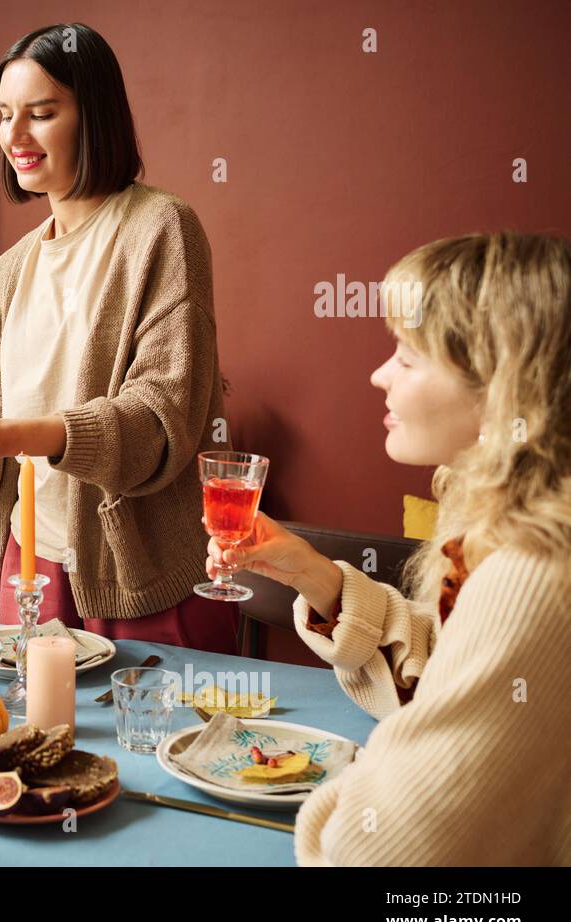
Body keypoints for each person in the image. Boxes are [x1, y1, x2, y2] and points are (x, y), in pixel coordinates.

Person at [208, 233, 571, 865]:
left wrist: (336, 795)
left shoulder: (532, 572)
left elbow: (382, 851)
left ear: (499, 382)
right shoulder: (500, 524)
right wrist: (316, 577)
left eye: (406, 355)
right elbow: (445, 669)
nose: (379, 374)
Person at [0, 23, 239, 654]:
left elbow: (161, 423)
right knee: (29, 745)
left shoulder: (161, 229)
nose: (14, 136)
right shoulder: (12, 268)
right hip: (28, 566)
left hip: (139, 573)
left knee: (149, 748)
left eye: (41, 113)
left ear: (94, 115)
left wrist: (10, 435)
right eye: (5, 116)